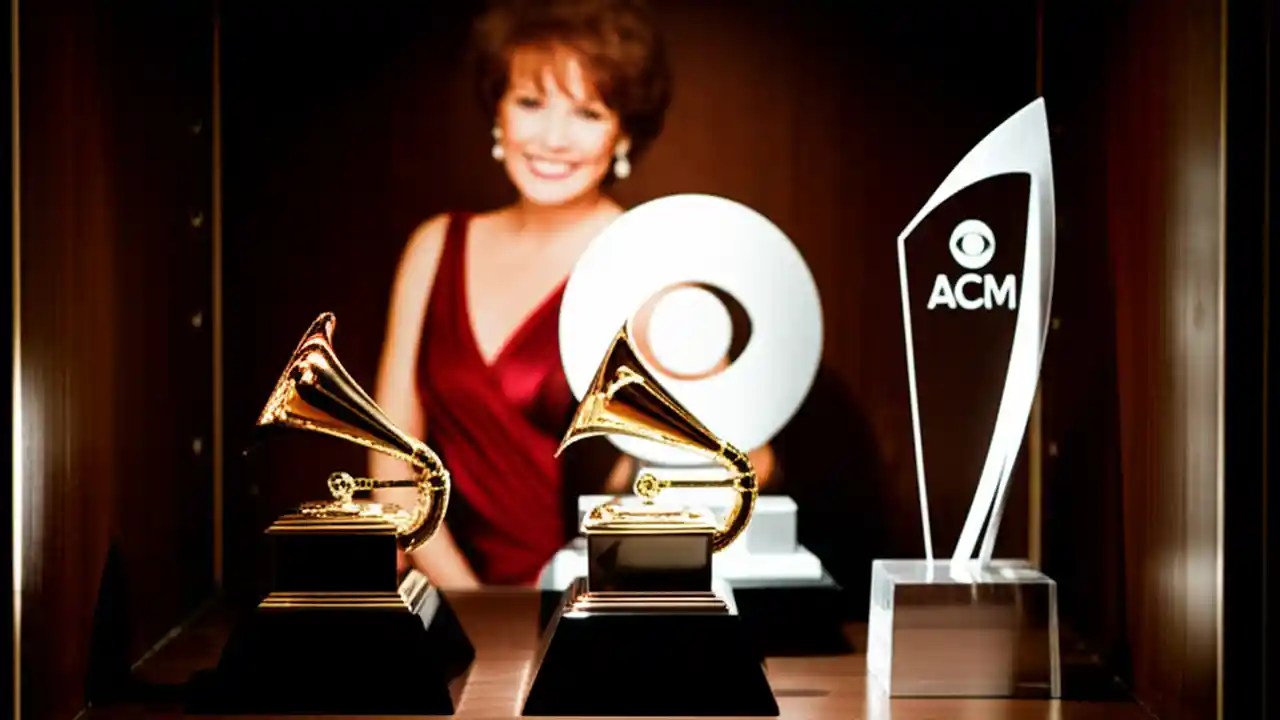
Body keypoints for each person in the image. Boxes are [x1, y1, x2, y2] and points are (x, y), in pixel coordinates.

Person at [368, 0, 674, 588]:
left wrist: (580, 576)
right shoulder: (436, 245)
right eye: (530, 102)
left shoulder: (645, 261)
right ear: (498, 114)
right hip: (444, 607)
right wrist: (469, 602)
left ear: (624, 132)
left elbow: (739, 461)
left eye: (587, 111)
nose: (552, 138)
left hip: (588, 613)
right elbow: (390, 458)